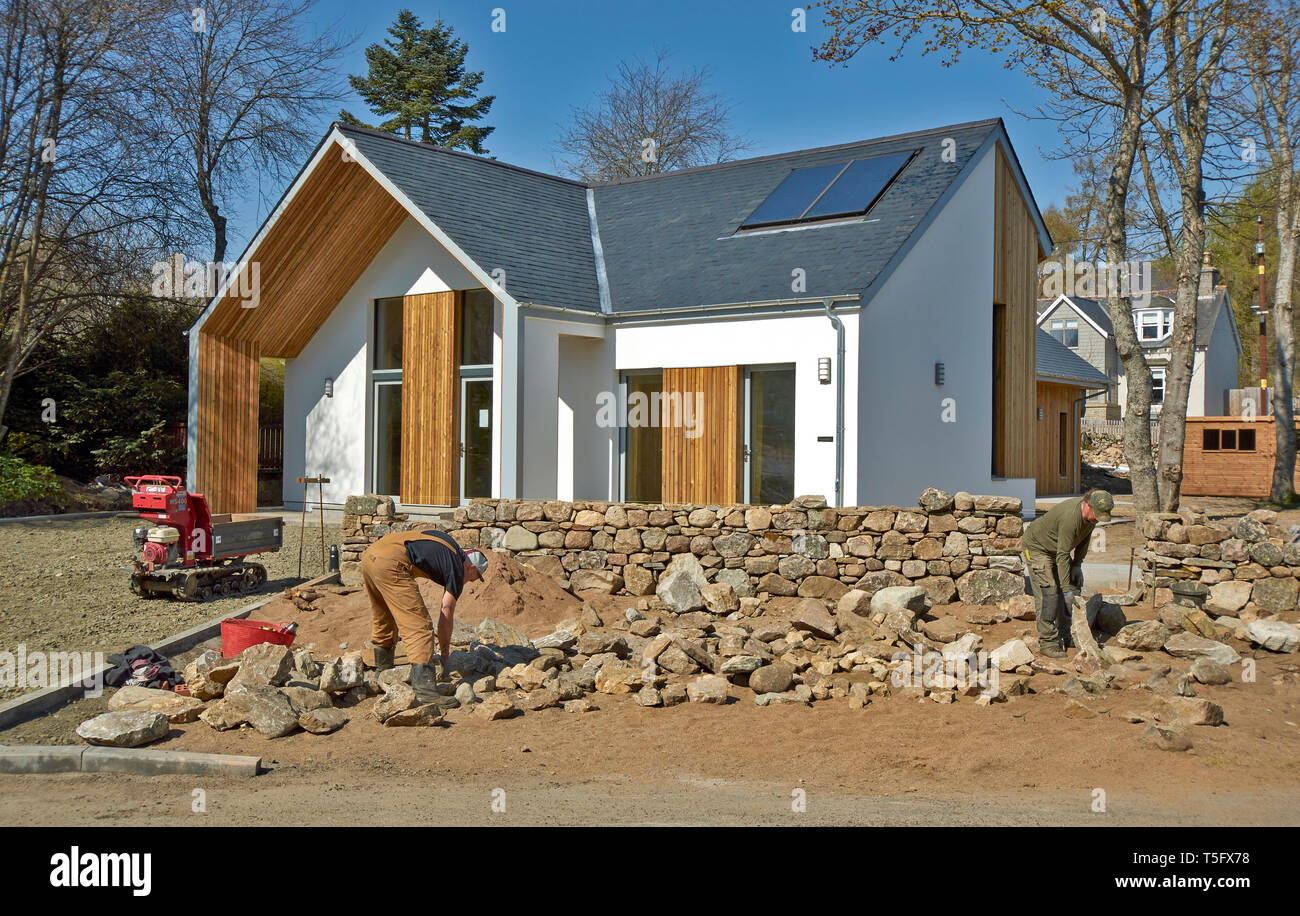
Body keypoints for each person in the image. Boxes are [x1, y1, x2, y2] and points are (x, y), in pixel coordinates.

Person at [361, 528, 489, 702]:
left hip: (371, 555)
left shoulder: (449, 544)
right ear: (471, 567)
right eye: (474, 578)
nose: (470, 582)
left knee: (384, 616)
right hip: (392, 563)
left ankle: (382, 673)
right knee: (419, 625)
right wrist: (445, 653)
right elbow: (446, 615)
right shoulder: (459, 568)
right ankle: (425, 691)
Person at [1021, 489, 1114, 658]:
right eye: (1096, 515)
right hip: (1036, 548)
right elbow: (1062, 555)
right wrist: (1065, 589)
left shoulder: (1090, 516)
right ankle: (1048, 642)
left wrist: (1077, 565)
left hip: (1055, 550)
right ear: (1087, 505)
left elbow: (1084, 540)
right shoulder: (1070, 518)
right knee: (1049, 593)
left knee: (1071, 585)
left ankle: (1065, 634)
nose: (1096, 519)